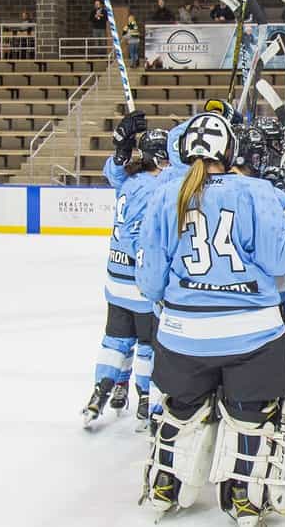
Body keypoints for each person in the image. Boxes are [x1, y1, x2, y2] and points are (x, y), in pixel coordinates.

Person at [136, 112, 285, 523]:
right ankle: (245, 498)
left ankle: (165, 484)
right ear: (230, 151)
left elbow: (149, 281)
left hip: (183, 334)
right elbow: (281, 259)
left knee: (181, 408)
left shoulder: (165, 194)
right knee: (252, 416)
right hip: (252, 333)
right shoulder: (258, 191)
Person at [82, 121, 168, 430]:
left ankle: (99, 393)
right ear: (159, 159)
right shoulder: (156, 187)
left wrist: (120, 152)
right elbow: (139, 236)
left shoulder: (129, 180)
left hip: (114, 278)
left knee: (115, 341)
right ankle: (145, 399)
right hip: (138, 281)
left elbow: (113, 172)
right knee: (147, 344)